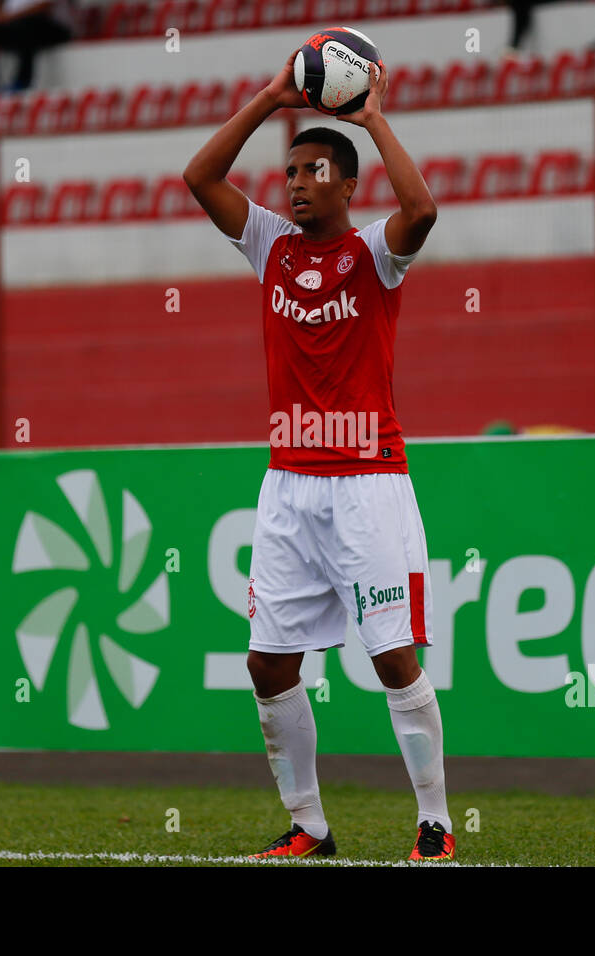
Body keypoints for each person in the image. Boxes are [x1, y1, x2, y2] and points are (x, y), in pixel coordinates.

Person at [183, 57, 454, 861]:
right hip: (288, 487)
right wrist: (269, 96)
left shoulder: (375, 254)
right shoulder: (268, 244)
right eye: (291, 170)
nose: (297, 183)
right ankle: (310, 826)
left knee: (392, 659)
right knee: (267, 665)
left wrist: (372, 120)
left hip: (368, 484)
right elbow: (200, 175)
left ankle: (434, 822)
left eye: (315, 171)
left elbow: (423, 207)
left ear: (346, 186)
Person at [0, 0, 73, 94]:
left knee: (26, 26)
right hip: (14, 23)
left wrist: (9, 17)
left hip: (51, 26)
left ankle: (23, 80)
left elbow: (45, 7)